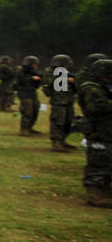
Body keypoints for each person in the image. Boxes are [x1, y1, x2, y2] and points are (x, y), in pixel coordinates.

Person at [76, 59, 112, 208]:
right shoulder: (90, 88)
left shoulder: (103, 86)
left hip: (106, 130)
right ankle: (95, 193)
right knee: (98, 162)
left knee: (107, 161)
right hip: (98, 131)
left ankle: (103, 188)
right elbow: (97, 107)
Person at [43, 53, 77, 153]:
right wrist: (65, 79)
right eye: (66, 64)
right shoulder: (50, 72)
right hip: (58, 101)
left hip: (68, 100)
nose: (68, 65)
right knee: (58, 121)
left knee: (69, 121)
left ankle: (62, 140)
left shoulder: (66, 72)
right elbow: (48, 85)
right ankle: (56, 143)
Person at [16, 55, 43, 136]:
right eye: (34, 64)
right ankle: (24, 129)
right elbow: (19, 81)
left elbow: (38, 83)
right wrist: (31, 78)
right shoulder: (20, 71)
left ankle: (29, 127)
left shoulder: (34, 71)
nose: (35, 66)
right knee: (28, 111)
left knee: (35, 109)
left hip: (32, 93)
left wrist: (38, 79)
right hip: (24, 94)